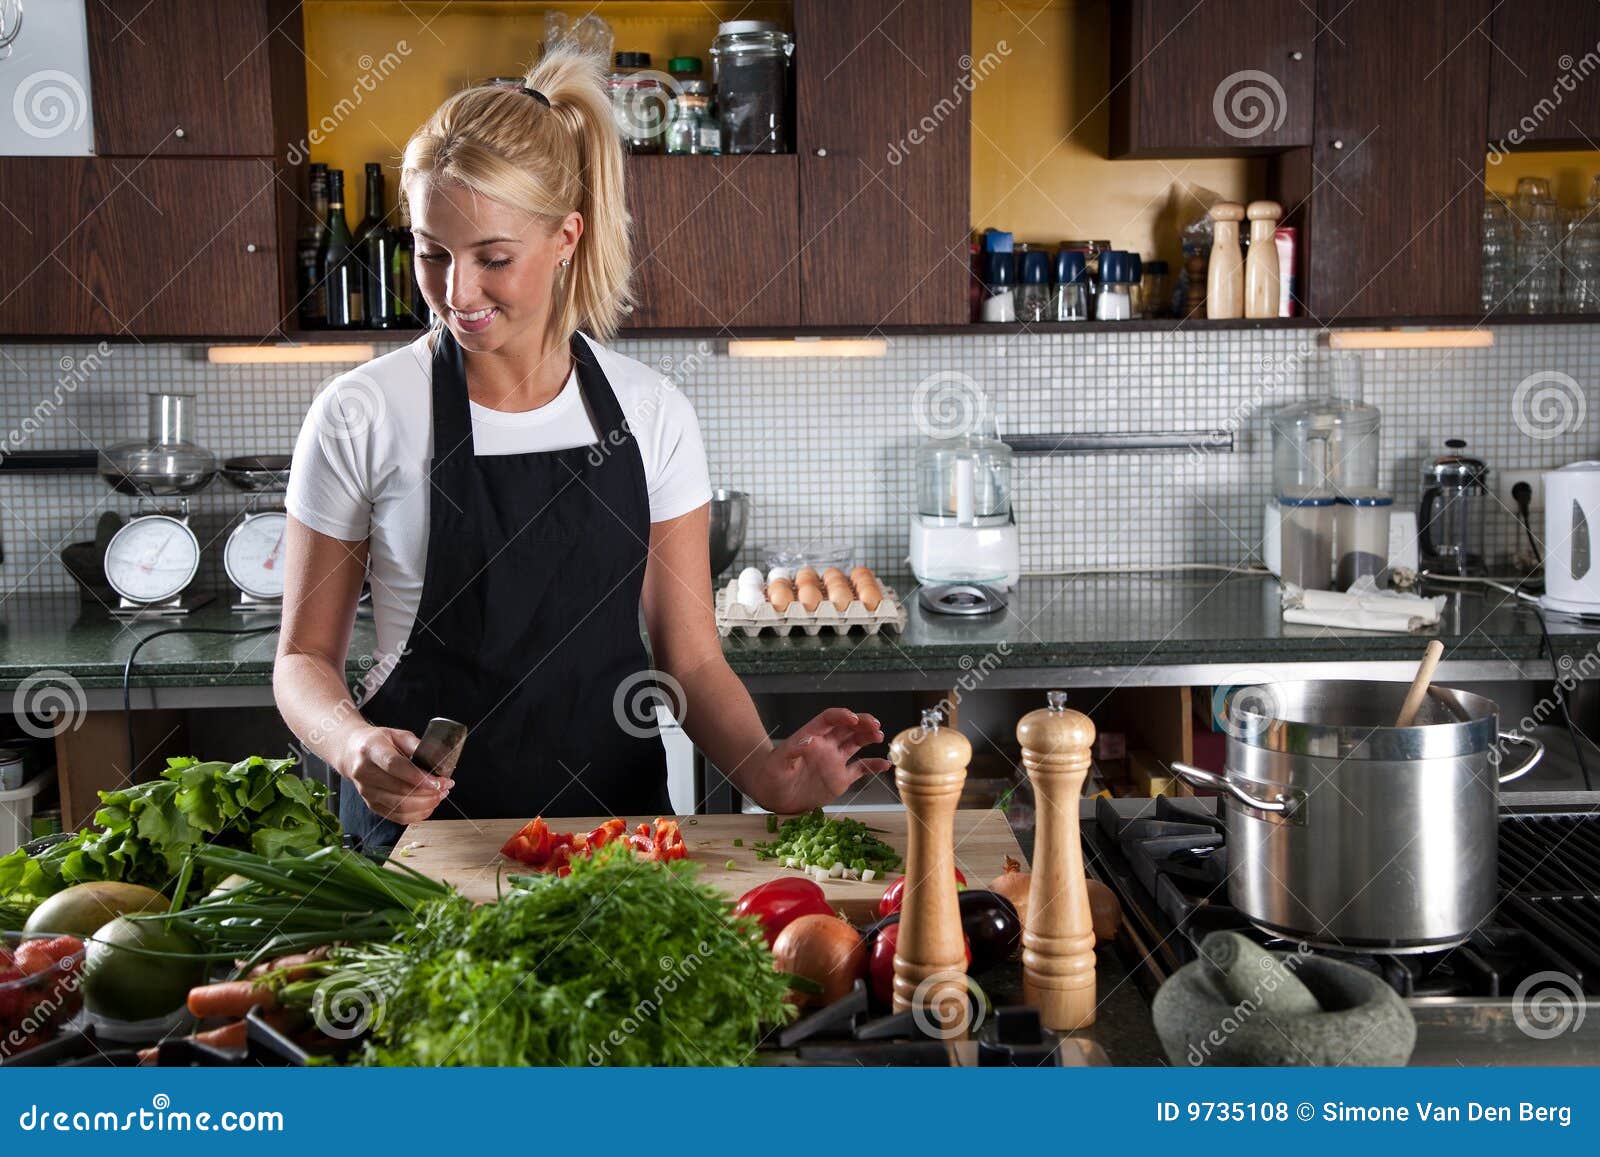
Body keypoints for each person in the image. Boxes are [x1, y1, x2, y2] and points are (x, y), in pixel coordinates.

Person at [275, 47, 890, 849]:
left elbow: (691, 659)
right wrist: (351, 743)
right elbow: (301, 660)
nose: (456, 292)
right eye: (431, 252)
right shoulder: (361, 413)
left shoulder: (649, 412)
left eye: (492, 258)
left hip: (612, 845)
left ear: (567, 236)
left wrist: (766, 769)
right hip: (422, 849)